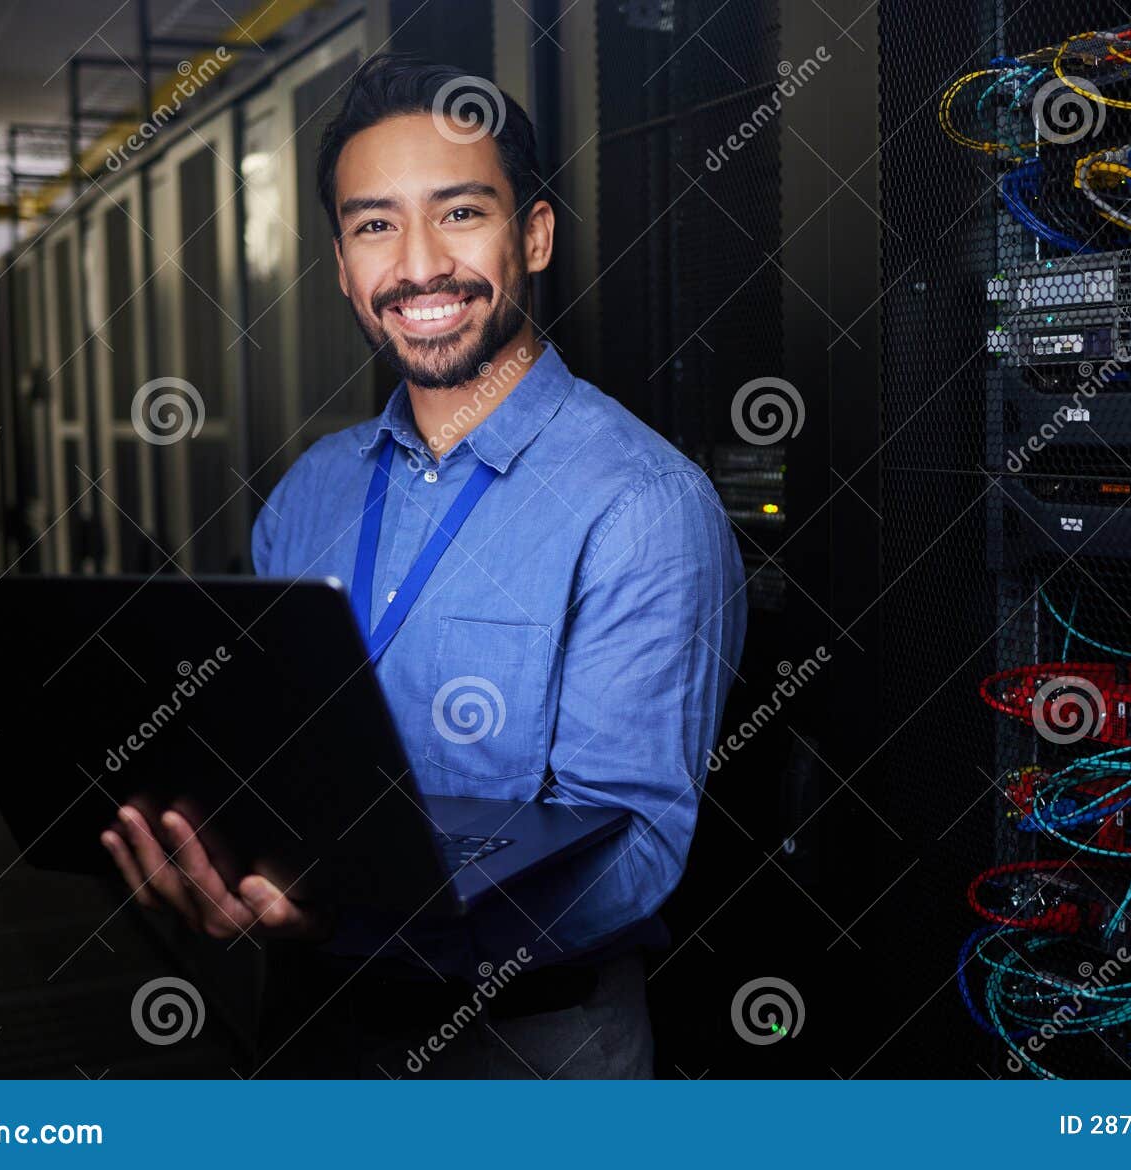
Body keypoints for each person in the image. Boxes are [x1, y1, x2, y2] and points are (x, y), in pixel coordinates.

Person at [100, 53, 746, 1078]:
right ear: (343, 262)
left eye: (458, 213)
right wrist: (210, 853)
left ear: (530, 234)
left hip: (528, 1055)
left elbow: (633, 858)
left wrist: (350, 904)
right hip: (307, 1031)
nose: (416, 265)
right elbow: (268, 760)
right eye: (373, 225)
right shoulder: (308, 493)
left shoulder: (642, 507)